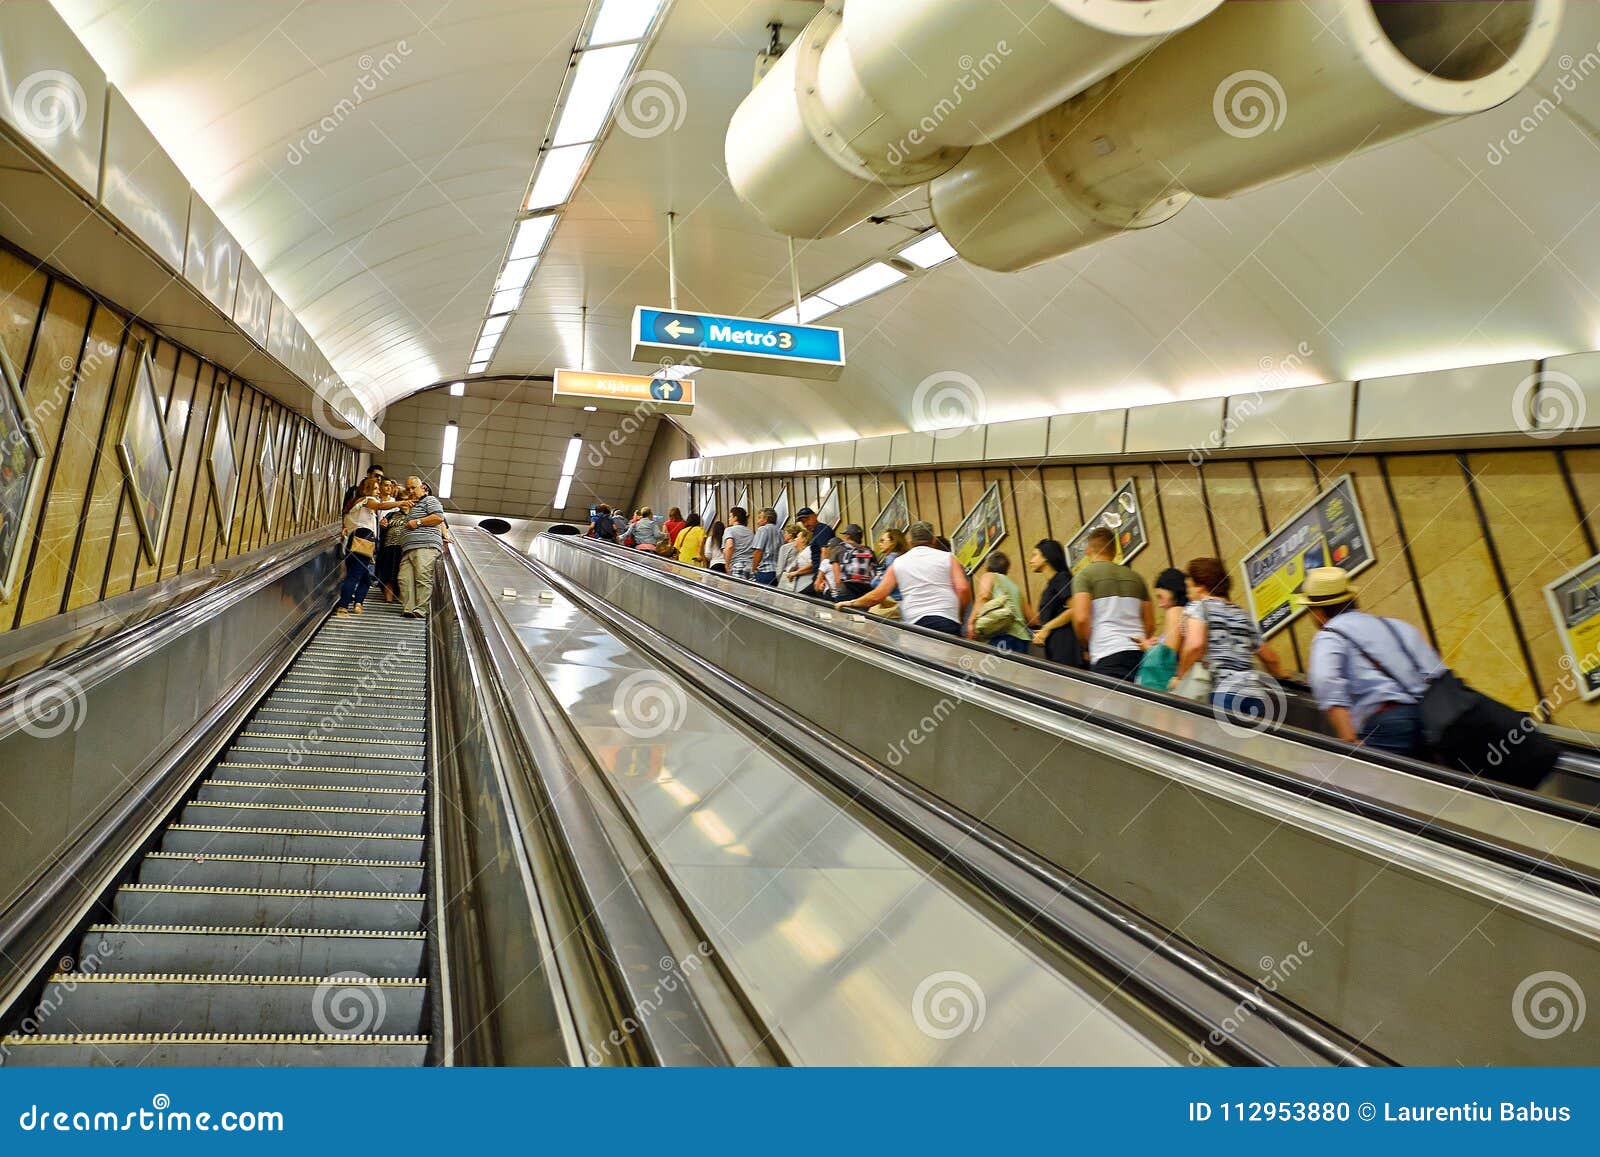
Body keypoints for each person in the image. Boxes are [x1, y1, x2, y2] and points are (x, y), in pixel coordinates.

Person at [1299, 567, 1443, 757]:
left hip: (1389, 725)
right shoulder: (1396, 626)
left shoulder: (1330, 635)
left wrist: (1348, 740)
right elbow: (1437, 671)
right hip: (1434, 720)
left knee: (1354, 782)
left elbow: (1324, 679)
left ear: (1317, 612)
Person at [1175, 556, 1288, 711]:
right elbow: (1270, 657)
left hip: (1224, 693)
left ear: (1200, 587)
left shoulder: (1199, 607)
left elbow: (1195, 645)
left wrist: (1180, 676)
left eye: (1188, 588)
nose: (1187, 594)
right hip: (1254, 695)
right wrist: (1282, 675)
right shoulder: (1242, 614)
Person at [839, 520, 969, 635]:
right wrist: (959, 616)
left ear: (910, 542)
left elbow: (877, 596)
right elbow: (963, 589)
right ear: (934, 540)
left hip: (916, 625)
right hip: (948, 622)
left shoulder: (899, 562)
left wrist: (851, 603)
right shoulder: (948, 558)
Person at [1059, 527, 1153, 680]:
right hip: (1141, 655)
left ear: (1088, 550)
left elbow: (1081, 618)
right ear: (1115, 550)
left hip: (1107, 654)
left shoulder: (1084, 576)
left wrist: (1087, 645)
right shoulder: (1136, 577)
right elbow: (1149, 623)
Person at [335, 477, 407, 616]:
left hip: (354, 541)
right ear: (366, 489)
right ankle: (343, 607)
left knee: (366, 578)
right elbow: (381, 506)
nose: (378, 492)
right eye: (375, 489)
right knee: (354, 575)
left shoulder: (355, 507)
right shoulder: (366, 500)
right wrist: (402, 502)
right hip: (363, 538)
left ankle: (358, 604)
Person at [1029, 540, 1086, 668]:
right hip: (1056, 648)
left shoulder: (1061, 578)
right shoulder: (1051, 584)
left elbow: (1074, 609)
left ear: (1046, 556)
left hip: (1067, 647)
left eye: (1035, 555)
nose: (1030, 560)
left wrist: (1047, 628)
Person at [398, 475, 447, 619]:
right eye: (408, 489)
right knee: (404, 578)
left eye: (413, 487)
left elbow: (438, 518)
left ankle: (421, 609)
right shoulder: (412, 506)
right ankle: (409, 608)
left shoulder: (430, 500)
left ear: (424, 489)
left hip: (425, 545)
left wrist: (417, 522)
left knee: (422, 577)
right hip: (408, 548)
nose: (410, 491)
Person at [966, 550, 1033, 652]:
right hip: (1021, 640)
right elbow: (1032, 619)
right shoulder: (1015, 588)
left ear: (986, 566)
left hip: (1000, 635)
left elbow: (983, 596)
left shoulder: (989, 576)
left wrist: (971, 623)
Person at [1136, 567, 1188, 691]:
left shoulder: (1174, 612)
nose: (1160, 604)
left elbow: (1167, 657)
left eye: (1160, 596)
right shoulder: (1190, 611)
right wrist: (1158, 644)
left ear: (1173, 591)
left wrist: (1147, 647)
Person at [376, 480, 410, 602]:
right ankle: (388, 599)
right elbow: (382, 528)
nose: (404, 502)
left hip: (405, 549)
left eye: (407, 499)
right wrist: (383, 527)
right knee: (388, 574)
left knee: (402, 575)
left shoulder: (415, 515)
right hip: (390, 548)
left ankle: (402, 598)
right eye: (401, 499)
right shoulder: (391, 514)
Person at [794, 506, 836, 601]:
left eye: (807, 519)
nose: (806, 524)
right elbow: (815, 560)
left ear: (815, 516)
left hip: (826, 577)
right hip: (820, 574)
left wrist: (820, 578)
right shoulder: (815, 532)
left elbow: (825, 553)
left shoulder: (822, 529)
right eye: (803, 522)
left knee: (803, 600)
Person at [830, 524, 878, 602]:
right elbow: (875, 572)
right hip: (866, 589)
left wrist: (838, 591)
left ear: (847, 536)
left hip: (846, 589)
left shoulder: (838, 549)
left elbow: (837, 578)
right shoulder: (869, 551)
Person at [750, 508, 783, 587]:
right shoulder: (780, 531)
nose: (757, 521)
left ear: (766, 519)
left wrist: (754, 568)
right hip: (778, 571)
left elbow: (758, 551)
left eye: (759, 517)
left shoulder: (762, 529)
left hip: (765, 571)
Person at [722, 506, 756, 578]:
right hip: (750, 566)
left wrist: (727, 564)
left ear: (735, 518)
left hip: (737, 565)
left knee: (737, 588)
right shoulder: (750, 532)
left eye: (730, 516)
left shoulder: (729, 530)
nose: (729, 519)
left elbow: (729, 546)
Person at [773, 523, 799, 591]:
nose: (784, 535)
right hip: (798, 576)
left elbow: (780, 566)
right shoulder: (800, 545)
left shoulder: (785, 547)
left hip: (786, 576)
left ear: (790, 535)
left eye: (785, 533)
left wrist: (779, 578)